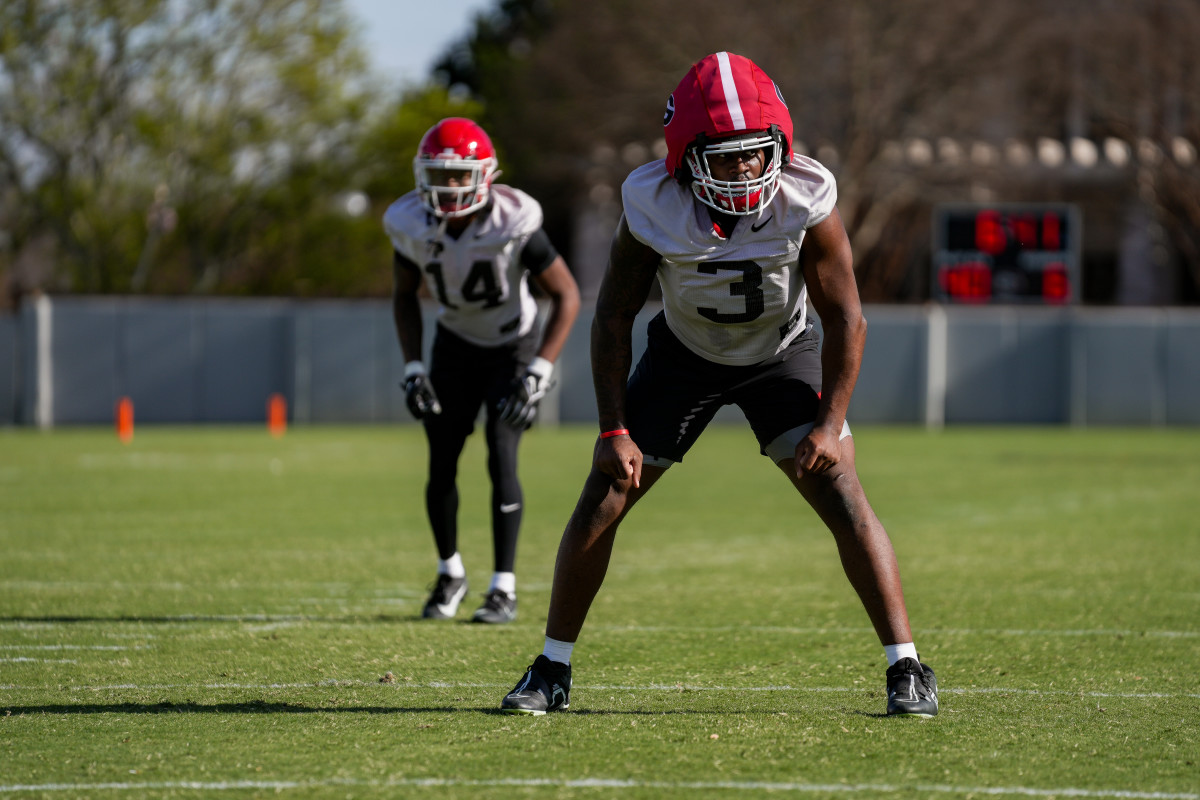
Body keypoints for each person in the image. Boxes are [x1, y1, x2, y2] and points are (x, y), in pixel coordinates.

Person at [500, 53, 937, 715]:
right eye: (725, 157)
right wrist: (613, 428)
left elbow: (847, 316)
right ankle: (551, 668)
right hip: (685, 357)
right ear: (686, 157)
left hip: (781, 355)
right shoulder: (653, 203)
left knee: (843, 490)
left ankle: (907, 667)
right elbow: (614, 314)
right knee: (605, 494)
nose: (743, 170)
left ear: (778, 149)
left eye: (755, 154)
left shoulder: (805, 196)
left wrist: (829, 421)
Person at [384, 117, 581, 624]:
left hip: (512, 344)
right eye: (439, 175)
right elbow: (404, 297)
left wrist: (539, 369)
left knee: (501, 449)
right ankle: (450, 573)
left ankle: (503, 587)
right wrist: (412, 366)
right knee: (441, 457)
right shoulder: (410, 224)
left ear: (485, 174)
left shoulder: (515, 221)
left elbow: (566, 294)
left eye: (459, 175)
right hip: (454, 343)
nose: (449, 187)